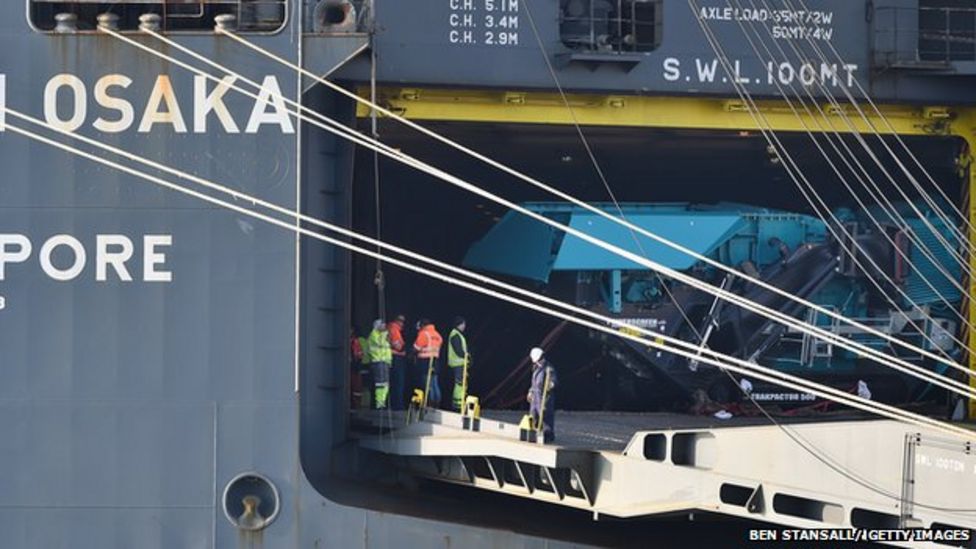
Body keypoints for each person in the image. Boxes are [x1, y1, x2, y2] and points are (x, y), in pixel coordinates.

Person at [527, 347, 557, 443]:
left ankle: (548, 436)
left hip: (544, 396)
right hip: (536, 396)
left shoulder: (548, 368)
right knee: (533, 414)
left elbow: (553, 380)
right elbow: (534, 382)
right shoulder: (536, 367)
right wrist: (531, 391)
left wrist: (551, 384)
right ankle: (534, 433)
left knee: (545, 416)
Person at [413, 318, 443, 408]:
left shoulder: (424, 334)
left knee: (427, 384)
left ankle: (429, 404)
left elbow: (416, 348)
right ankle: (436, 404)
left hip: (425, 363)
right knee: (435, 383)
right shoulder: (437, 335)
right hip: (435, 361)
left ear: (422, 325)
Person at [366, 319, 392, 409]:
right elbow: (380, 343)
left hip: (384, 362)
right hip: (378, 362)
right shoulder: (374, 335)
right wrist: (385, 334)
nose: (384, 327)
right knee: (380, 383)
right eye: (382, 325)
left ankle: (382, 401)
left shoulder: (382, 335)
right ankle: (379, 402)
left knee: (385, 383)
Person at [447, 316, 470, 411]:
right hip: (458, 363)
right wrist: (467, 356)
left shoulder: (458, 334)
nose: (464, 326)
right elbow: (458, 350)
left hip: (460, 363)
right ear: (459, 324)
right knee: (459, 384)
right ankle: (457, 404)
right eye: (463, 324)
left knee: (461, 384)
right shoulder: (455, 335)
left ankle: (459, 403)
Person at [387, 314, 408, 410]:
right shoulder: (394, 330)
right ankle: (397, 406)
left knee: (393, 382)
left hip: (390, 358)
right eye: (401, 321)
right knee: (398, 383)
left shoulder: (390, 328)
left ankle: (392, 404)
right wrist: (404, 349)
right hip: (396, 358)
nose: (402, 324)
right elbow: (398, 346)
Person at [349, 328, 364, 409]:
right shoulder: (350, 342)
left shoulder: (356, 342)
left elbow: (360, 354)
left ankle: (356, 405)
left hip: (355, 366)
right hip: (350, 367)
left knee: (356, 388)